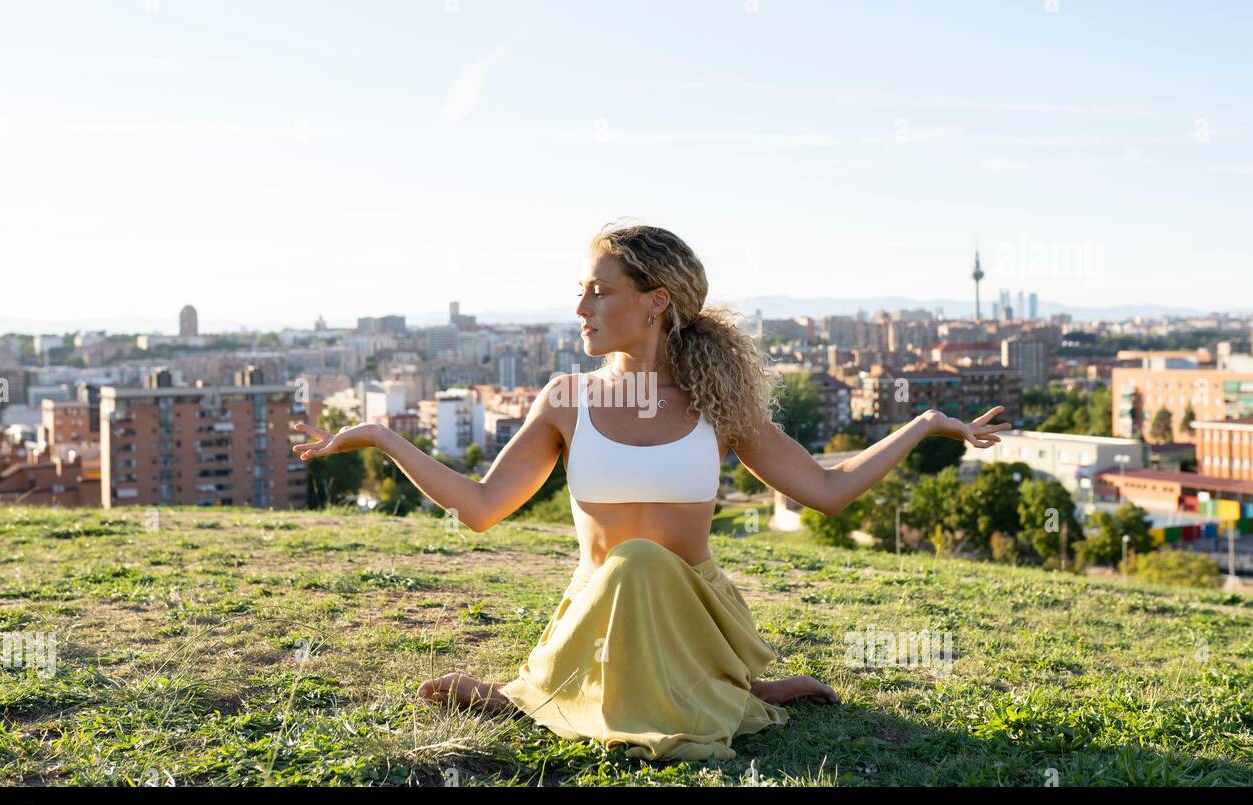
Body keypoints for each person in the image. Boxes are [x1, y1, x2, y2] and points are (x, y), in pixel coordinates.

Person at [291, 222, 1010, 761]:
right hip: (594, 623)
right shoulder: (565, 400)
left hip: (693, 620)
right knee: (625, 565)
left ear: (656, 302)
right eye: (581, 290)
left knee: (642, 562)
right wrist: (383, 439)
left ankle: (717, 687)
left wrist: (922, 425)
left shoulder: (717, 405)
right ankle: (571, 693)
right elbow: (481, 509)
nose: (581, 307)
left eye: (600, 291)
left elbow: (824, 490)